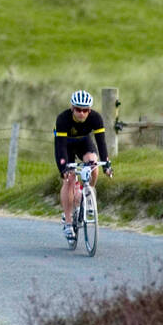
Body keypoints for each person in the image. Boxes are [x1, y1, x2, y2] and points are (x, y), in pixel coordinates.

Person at [54, 90, 112, 243]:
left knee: (93, 165)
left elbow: (101, 143)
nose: (81, 113)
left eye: (85, 110)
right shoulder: (63, 119)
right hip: (65, 146)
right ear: (72, 108)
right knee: (70, 179)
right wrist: (63, 168)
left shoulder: (96, 118)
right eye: (78, 109)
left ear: (89, 110)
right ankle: (67, 222)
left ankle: (87, 196)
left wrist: (106, 163)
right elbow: (60, 146)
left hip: (83, 143)